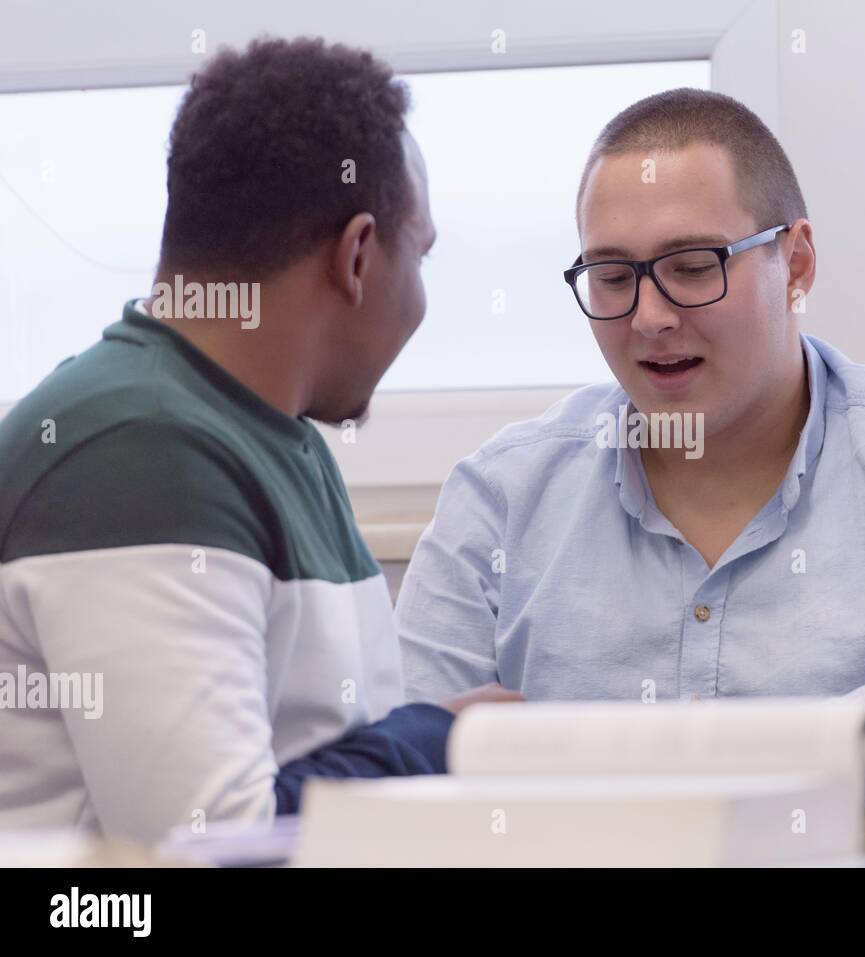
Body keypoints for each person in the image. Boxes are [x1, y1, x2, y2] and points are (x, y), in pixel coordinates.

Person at [396, 88, 865, 749]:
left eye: (694, 267)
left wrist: (727, 752)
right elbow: (394, 760)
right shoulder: (501, 495)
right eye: (612, 277)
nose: (650, 318)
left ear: (795, 264)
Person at [0, 37, 515, 847]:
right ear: (356, 255)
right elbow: (208, 841)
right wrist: (441, 740)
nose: (420, 301)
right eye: (420, 256)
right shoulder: (138, 449)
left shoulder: (266, 437)